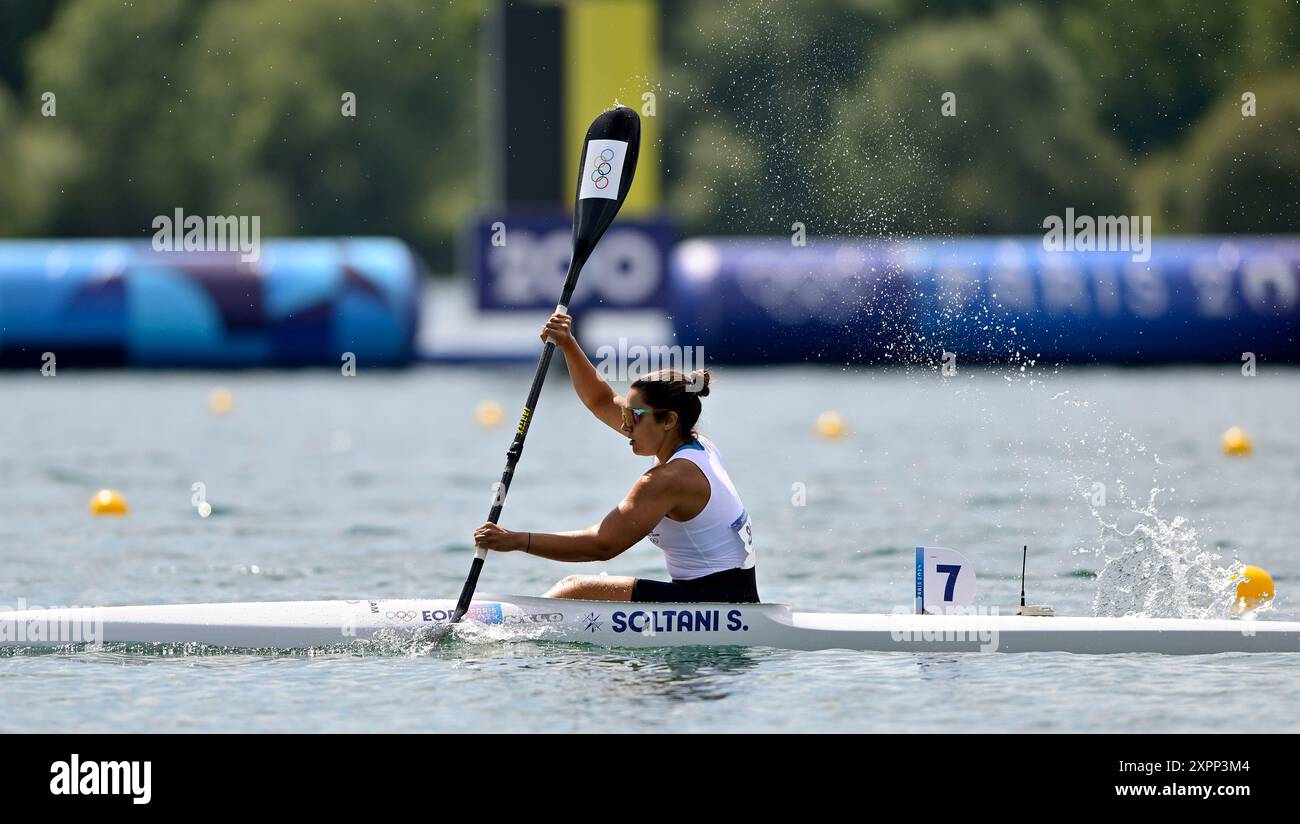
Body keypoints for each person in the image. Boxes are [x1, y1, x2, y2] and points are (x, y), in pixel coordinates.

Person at [473, 312, 758, 603]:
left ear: (669, 420)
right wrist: (568, 343)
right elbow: (601, 400)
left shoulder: (669, 479)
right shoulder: (693, 444)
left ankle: (507, 624)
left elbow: (602, 545)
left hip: (718, 604)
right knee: (578, 589)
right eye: (625, 413)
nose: (624, 425)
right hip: (727, 596)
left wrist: (515, 540)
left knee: (576, 589)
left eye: (634, 416)